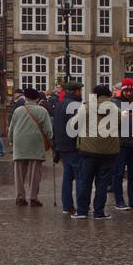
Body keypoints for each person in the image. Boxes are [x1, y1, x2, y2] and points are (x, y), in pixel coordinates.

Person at [74, 85, 120, 219]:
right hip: (109, 151)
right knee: (102, 183)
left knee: (85, 182)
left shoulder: (86, 108)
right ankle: (99, 212)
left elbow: (75, 125)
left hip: (88, 150)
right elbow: (121, 126)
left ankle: (82, 211)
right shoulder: (115, 110)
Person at [9, 88, 52, 206]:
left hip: (19, 144)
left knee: (19, 174)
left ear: (25, 98)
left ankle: (20, 197)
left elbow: (11, 129)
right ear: (37, 98)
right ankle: (33, 197)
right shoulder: (42, 111)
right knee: (35, 174)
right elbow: (48, 131)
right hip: (36, 144)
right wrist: (52, 145)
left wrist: (12, 141)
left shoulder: (18, 111)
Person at [112, 79, 133, 210]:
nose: (129, 93)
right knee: (118, 173)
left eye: (131, 90)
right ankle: (119, 201)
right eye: (127, 91)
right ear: (123, 90)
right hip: (121, 143)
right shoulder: (114, 103)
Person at [52, 80, 83, 214]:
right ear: (75, 91)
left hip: (61, 145)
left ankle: (67, 205)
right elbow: (75, 126)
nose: (81, 93)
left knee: (67, 176)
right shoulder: (74, 105)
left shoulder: (60, 104)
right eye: (80, 90)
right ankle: (82, 207)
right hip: (72, 145)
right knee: (80, 177)